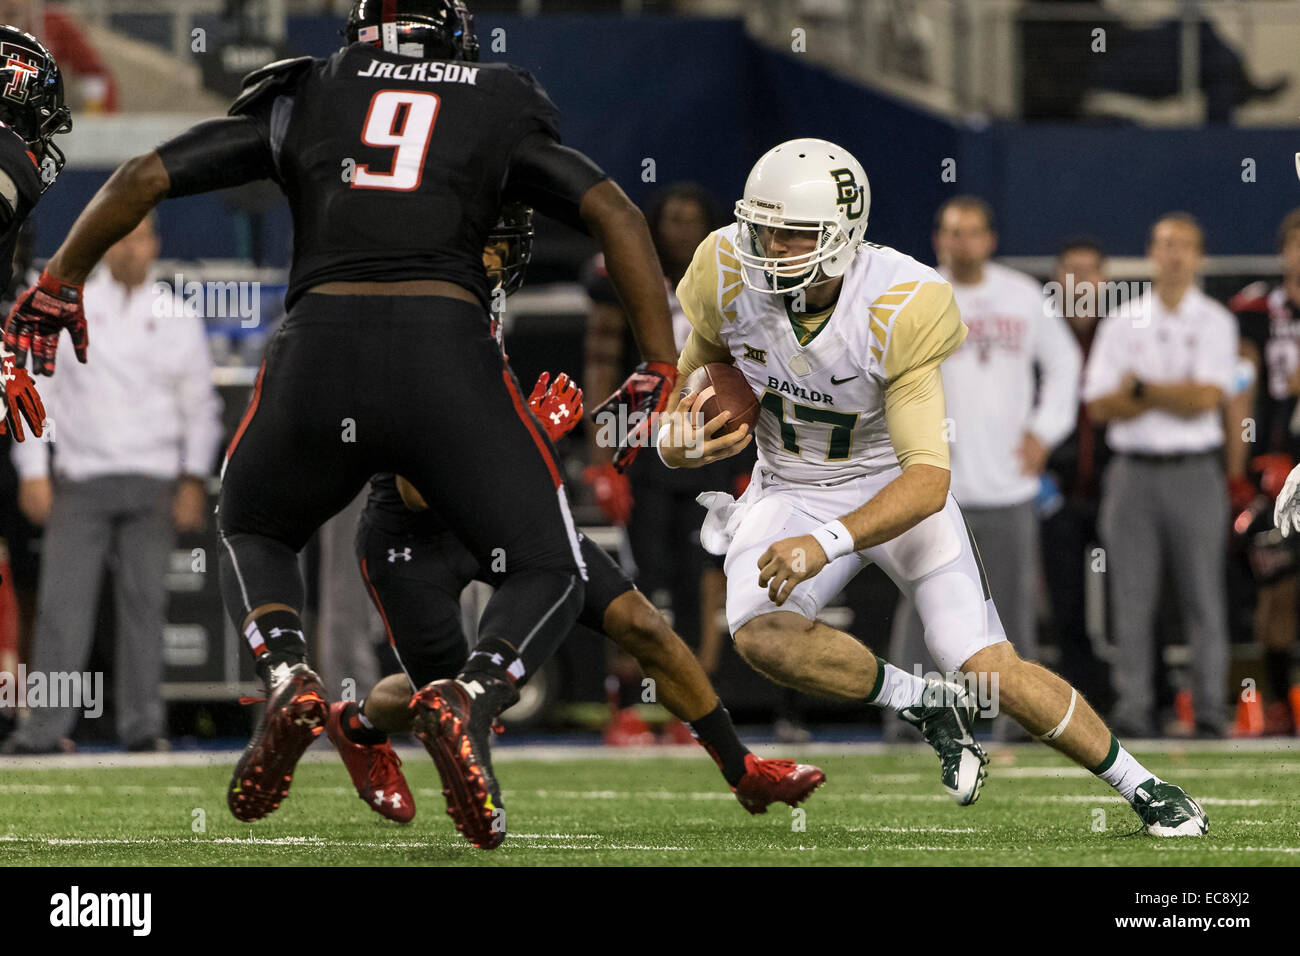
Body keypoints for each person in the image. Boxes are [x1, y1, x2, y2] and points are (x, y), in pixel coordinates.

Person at [3, 0, 678, 851]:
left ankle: (287, 673)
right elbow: (614, 211)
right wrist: (661, 362)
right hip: (446, 349)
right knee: (550, 564)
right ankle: (470, 694)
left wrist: (61, 280)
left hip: (319, 350)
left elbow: (143, 174)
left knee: (255, 522)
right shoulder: (494, 97)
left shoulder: (312, 92)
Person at [659, 138, 1209, 836]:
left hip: (890, 483)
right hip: (787, 483)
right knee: (759, 635)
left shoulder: (898, 302)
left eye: (791, 231)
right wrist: (675, 440)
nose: (768, 243)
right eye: (760, 225)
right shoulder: (723, 265)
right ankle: (922, 701)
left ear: (840, 236)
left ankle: (1145, 786)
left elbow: (927, 479)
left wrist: (822, 545)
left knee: (987, 665)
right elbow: (693, 380)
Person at [327, 206, 824, 823]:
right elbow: (417, 491)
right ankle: (360, 726)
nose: (499, 261)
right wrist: (528, 434)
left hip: (498, 514)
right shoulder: (408, 328)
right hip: (416, 534)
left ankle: (743, 771)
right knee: (455, 696)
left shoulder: (479, 311)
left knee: (643, 625)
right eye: (487, 247)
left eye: (501, 248)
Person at [2, 214, 222, 754]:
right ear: (103, 246)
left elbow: (200, 405)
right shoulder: (67, 308)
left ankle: (144, 727)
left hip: (153, 479)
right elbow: (35, 396)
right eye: (120, 238)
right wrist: (32, 471)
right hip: (81, 479)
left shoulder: (176, 315)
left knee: (145, 607)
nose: (130, 248)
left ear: (155, 244)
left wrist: (194, 477)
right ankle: (45, 730)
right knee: (61, 608)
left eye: (140, 236)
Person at [889, 197, 1081, 741]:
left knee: (1010, 610)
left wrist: (1044, 432)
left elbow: (1065, 365)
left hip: (1007, 485)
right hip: (932, 485)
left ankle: (1016, 725)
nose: (962, 242)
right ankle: (910, 720)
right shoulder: (915, 292)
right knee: (922, 608)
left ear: (990, 239)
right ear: (937, 239)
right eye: (953, 232)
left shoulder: (1020, 295)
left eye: (972, 232)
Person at [1082, 212, 1237, 739]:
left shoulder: (1216, 320)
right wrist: (1169, 394)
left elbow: (1206, 400)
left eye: (1184, 245)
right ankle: (1134, 710)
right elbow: (1099, 406)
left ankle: (1212, 711)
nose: (1173, 255)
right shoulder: (1123, 321)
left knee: (1203, 597)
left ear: (1198, 255)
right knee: (1131, 597)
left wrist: (1141, 390)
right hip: (1133, 474)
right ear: (1152, 251)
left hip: (1195, 472)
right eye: (1165, 244)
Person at [1231, 209, 1300, 735]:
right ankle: (1280, 701)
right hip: (1278, 464)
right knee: (1276, 588)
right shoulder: (1257, 308)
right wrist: (1244, 465)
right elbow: (1242, 387)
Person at [1039, 238, 1113, 709]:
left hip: (1114, 488)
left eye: (1090, 272)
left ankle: (1135, 698)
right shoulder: (1041, 334)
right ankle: (1072, 703)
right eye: (1072, 272)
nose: (1080, 282)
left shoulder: (1123, 330)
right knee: (1063, 605)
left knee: (1131, 600)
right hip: (1057, 491)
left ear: (1104, 280)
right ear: (1056, 281)